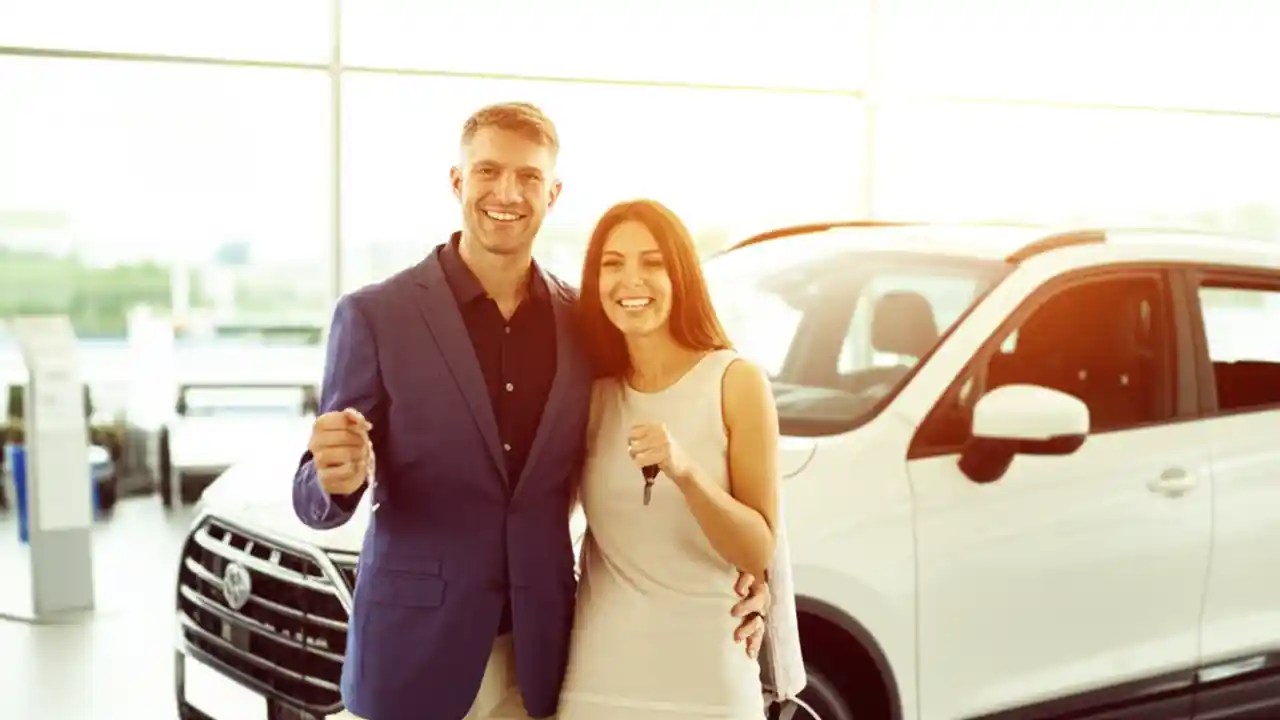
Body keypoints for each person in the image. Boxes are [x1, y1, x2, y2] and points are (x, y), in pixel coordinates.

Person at [292, 102, 770, 720]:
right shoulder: (375, 316)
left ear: (554, 192)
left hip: (547, 654)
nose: (507, 193)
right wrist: (336, 481)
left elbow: (673, 431)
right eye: (488, 172)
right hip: (415, 657)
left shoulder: (582, 324)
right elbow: (315, 487)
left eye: (528, 177)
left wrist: (751, 580)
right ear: (458, 181)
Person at [554, 199, 784, 720]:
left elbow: (756, 550)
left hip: (708, 680)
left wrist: (685, 471)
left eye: (652, 262)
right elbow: (543, 517)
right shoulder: (594, 396)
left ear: (681, 275)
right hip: (599, 677)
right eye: (612, 264)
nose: (631, 280)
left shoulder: (735, 381)